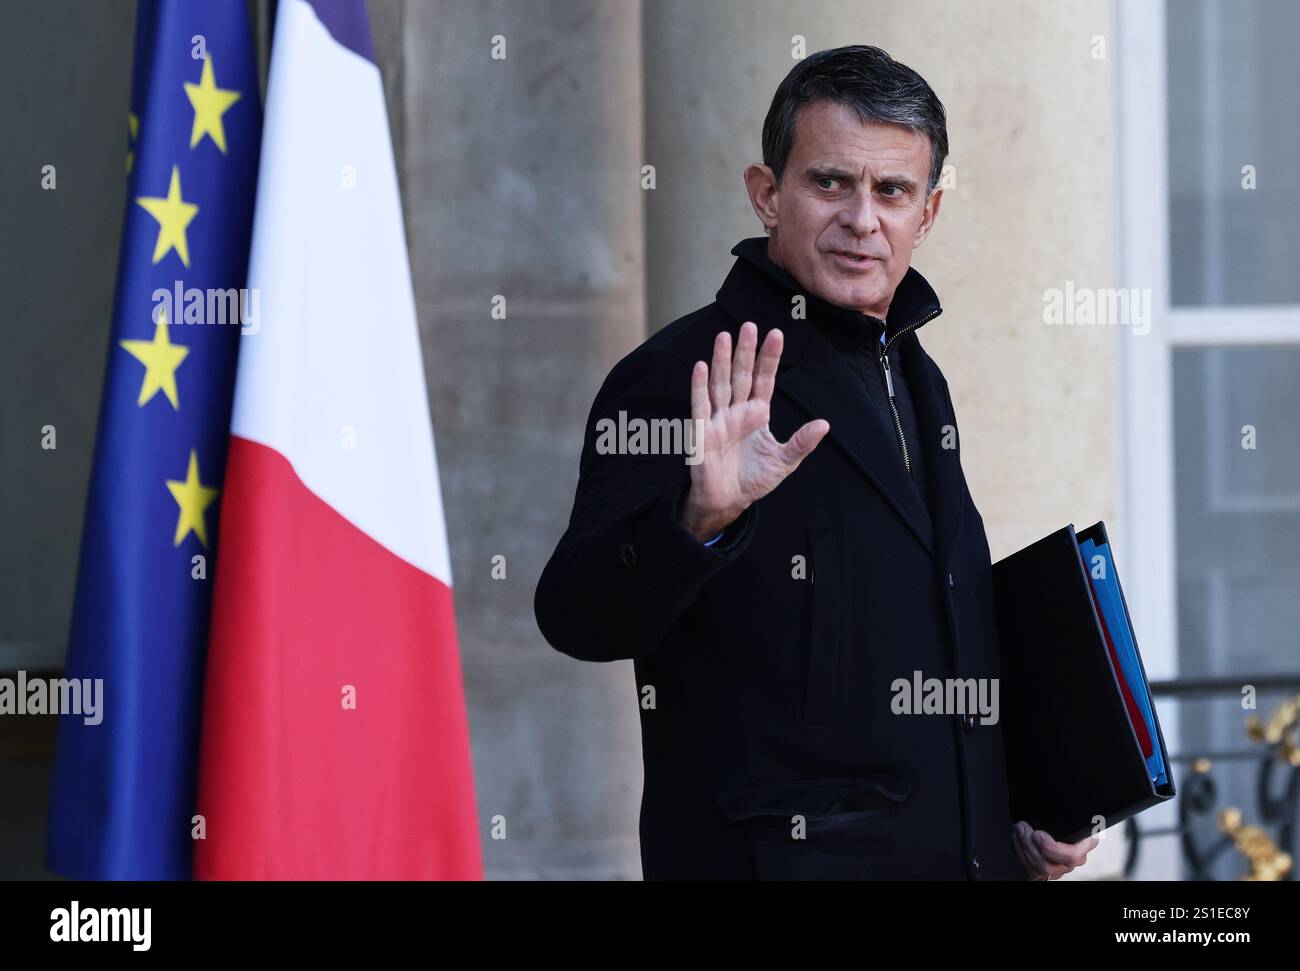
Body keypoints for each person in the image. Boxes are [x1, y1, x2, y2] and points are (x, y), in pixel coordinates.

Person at [534, 44, 1098, 880]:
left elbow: (925, 643)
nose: (862, 219)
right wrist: (697, 521)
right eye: (830, 182)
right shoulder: (681, 373)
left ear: (928, 214)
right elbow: (576, 615)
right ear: (767, 193)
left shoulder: (917, 375)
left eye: (892, 191)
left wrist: (1017, 811)